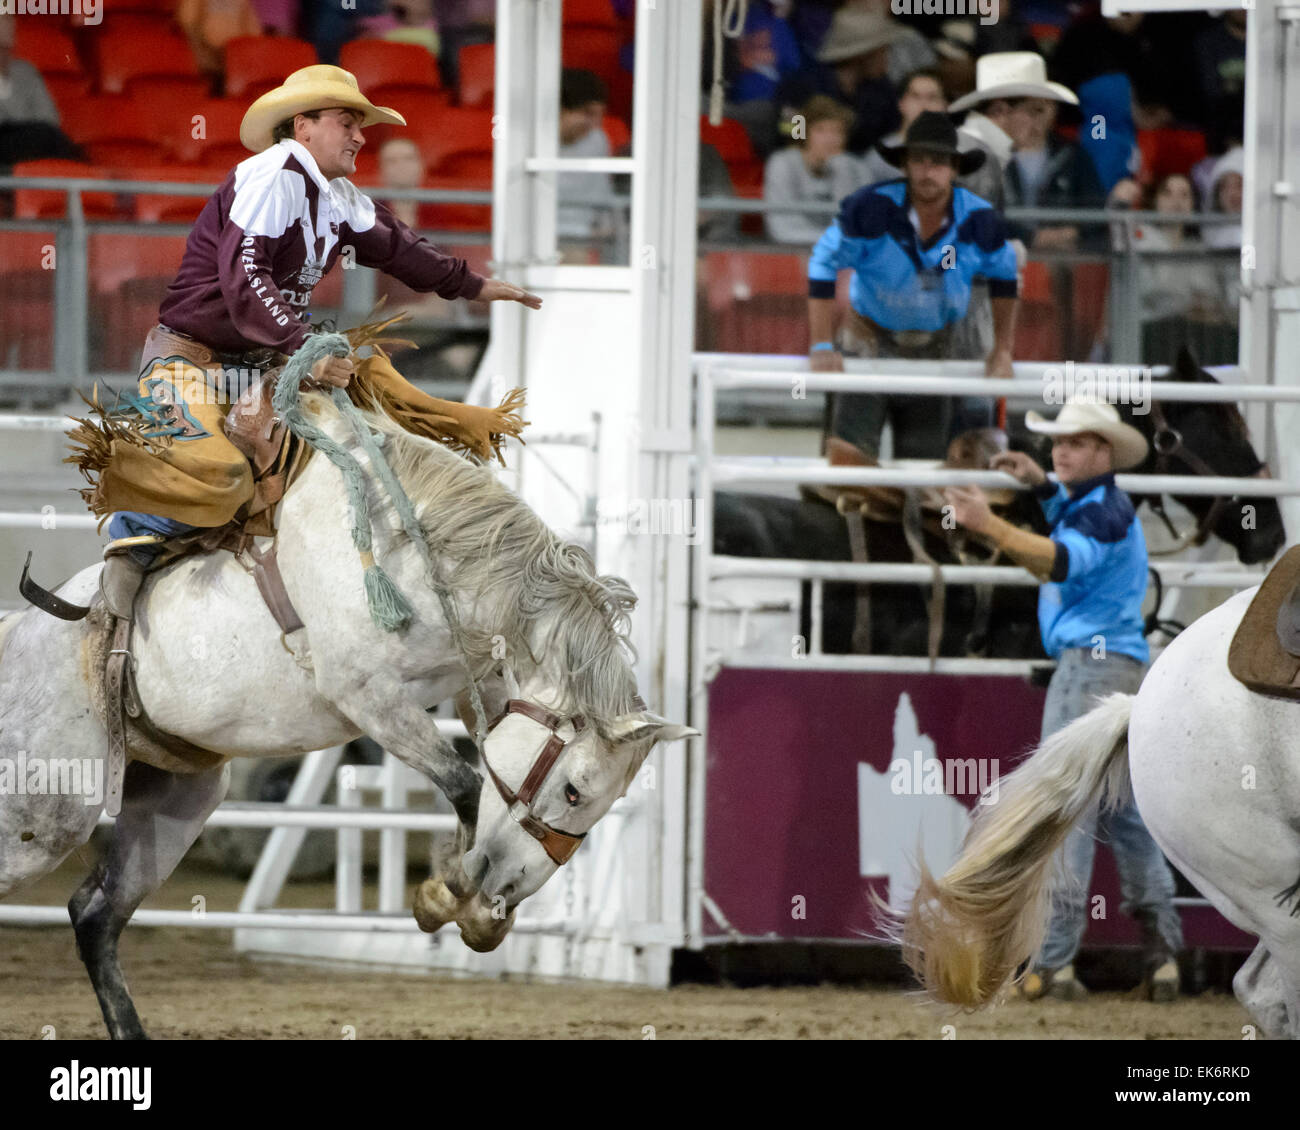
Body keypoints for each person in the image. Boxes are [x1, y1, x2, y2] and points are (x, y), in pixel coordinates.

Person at [93, 64, 541, 599]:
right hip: (193, 363)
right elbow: (247, 276)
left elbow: (398, 247)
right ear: (302, 125)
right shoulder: (276, 172)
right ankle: (132, 537)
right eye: (346, 121)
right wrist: (304, 346)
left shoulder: (338, 194)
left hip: (265, 365)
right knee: (217, 473)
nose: (359, 135)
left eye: (361, 125)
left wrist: (470, 285)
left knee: (383, 401)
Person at [944, 398, 1183, 1001]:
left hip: (1086, 672)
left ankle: (1053, 963)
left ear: (1103, 451)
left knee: (1064, 813)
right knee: (1129, 815)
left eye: (1073, 443)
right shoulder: (1103, 505)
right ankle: (1162, 956)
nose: (1060, 450)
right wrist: (1042, 483)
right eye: (1059, 443)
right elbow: (1074, 529)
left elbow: (1061, 561)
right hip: (1125, 668)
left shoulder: (1100, 513)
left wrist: (987, 525)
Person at [806, 111, 1019, 461]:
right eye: (918, 160)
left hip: (935, 347)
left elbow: (1006, 278)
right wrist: (820, 343)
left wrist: (1002, 349)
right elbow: (822, 261)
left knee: (923, 473)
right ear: (904, 165)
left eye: (938, 162)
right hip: (867, 341)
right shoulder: (870, 207)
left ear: (954, 168)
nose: (927, 170)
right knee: (848, 464)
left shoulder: (979, 217)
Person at [763, 95, 863, 245]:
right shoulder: (783, 163)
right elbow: (782, 228)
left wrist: (842, 171)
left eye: (838, 131)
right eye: (820, 130)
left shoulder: (855, 167)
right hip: (791, 253)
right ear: (805, 133)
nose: (830, 139)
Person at [556, 68, 616, 262]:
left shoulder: (597, 140)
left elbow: (602, 190)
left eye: (599, 115)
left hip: (583, 240)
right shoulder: (525, 141)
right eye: (587, 114)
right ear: (560, 110)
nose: (595, 123)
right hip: (532, 239)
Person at [859, 67, 946, 186]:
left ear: (944, 105)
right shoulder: (880, 157)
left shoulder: (960, 154)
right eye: (915, 97)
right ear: (901, 104)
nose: (924, 105)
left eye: (932, 98)